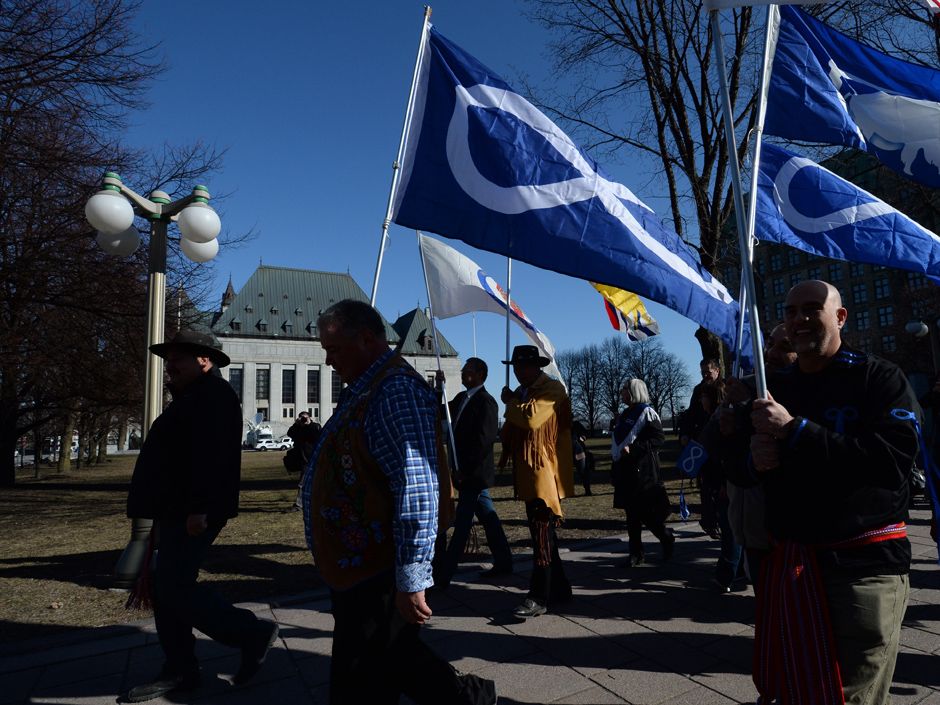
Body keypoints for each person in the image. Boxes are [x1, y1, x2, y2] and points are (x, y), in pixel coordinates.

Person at [724, 280, 919, 705]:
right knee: (790, 689)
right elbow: (736, 469)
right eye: (791, 311)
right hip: (789, 568)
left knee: (844, 696)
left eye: (812, 309)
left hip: (861, 570)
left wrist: (796, 431)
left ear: (840, 317)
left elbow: (892, 463)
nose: (799, 319)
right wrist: (753, 459)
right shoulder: (775, 388)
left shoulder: (878, 377)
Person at [299, 299, 496, 705]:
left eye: (334, 349)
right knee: (388, 656)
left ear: (367, 339)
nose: (328, 360)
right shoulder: (367, 387)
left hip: (380, 563)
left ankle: (469, 696)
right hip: (361, 561)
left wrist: (411, 577)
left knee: (364, 671)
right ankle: (469, 697)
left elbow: (418, 488)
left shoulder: (394, 391)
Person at [124, 330, 279, 703]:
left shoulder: (213, 397)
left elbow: (214, 459)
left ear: (204, 360)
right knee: (167, 589)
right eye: (168, 358)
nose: (169, 365)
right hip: (176, 510)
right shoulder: (195, 396)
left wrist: (200, 509)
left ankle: (248, 633)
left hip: (191, 512)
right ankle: (180, 668)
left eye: (178, 358)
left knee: (174, 587)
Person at [500, 344, 575, 618]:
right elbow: (510, 431)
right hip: (529, 475)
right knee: (544, 536)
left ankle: (538, 596)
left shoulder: (552, 389)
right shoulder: (524, 393)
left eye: (523, 366)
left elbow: (531, 420)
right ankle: (561, 589)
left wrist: (510, 403)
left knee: (542, 536)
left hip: (545, 475)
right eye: (516, 367)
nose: (519, 372)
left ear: (536, 366)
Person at [723, 323, 796, 591]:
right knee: (765, 599)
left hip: (791, 530)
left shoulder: (805, 390)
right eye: (769, 345)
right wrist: (729, 423)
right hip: (751, 523)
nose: (772, 354)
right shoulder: (749, 386)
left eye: (785, 347)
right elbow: (733, 457)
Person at [433, 358, 513, 589]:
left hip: (473, 476)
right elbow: (439, 411)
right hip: (464, 474)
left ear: (480, 374)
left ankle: (443, 576)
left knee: (461, 527)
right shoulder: (461, 399)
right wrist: (439, 388)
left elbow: (483, 442)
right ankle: (504, 561)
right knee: (489, 518)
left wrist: (464, 473)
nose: (462, 372)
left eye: (467, 369)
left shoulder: (487, 403)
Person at [610, 378, 674, 567]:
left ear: (633, 391)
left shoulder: (647, 412)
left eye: (624, 389)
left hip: (643, 471)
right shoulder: (624, 414)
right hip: (626, 471)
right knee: (631, 515)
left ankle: (665, 537)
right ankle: (636, 553)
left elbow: (659, 439)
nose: (622, 392)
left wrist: (636, 448)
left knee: (645, 513)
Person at [285, 411, 321, 510]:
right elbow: (290, 433)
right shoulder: (299, 428)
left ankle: (300, 504)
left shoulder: (315, 426)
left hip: (313, 458)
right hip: (304, 459)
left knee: (306, 482)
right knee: (304, 482)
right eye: (301, 417)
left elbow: (316, 435)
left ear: (309, 417)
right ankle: (301, 503)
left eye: (304, 417)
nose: (303, 419)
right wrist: (296, 424)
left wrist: (308, 424)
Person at [571, 420, 594, 496]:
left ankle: (588, 490)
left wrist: (583, 437)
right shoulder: (558, 424)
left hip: (579, 451)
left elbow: (586, 433)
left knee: (583, 470)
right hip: (565, 453)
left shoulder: (576, 424)